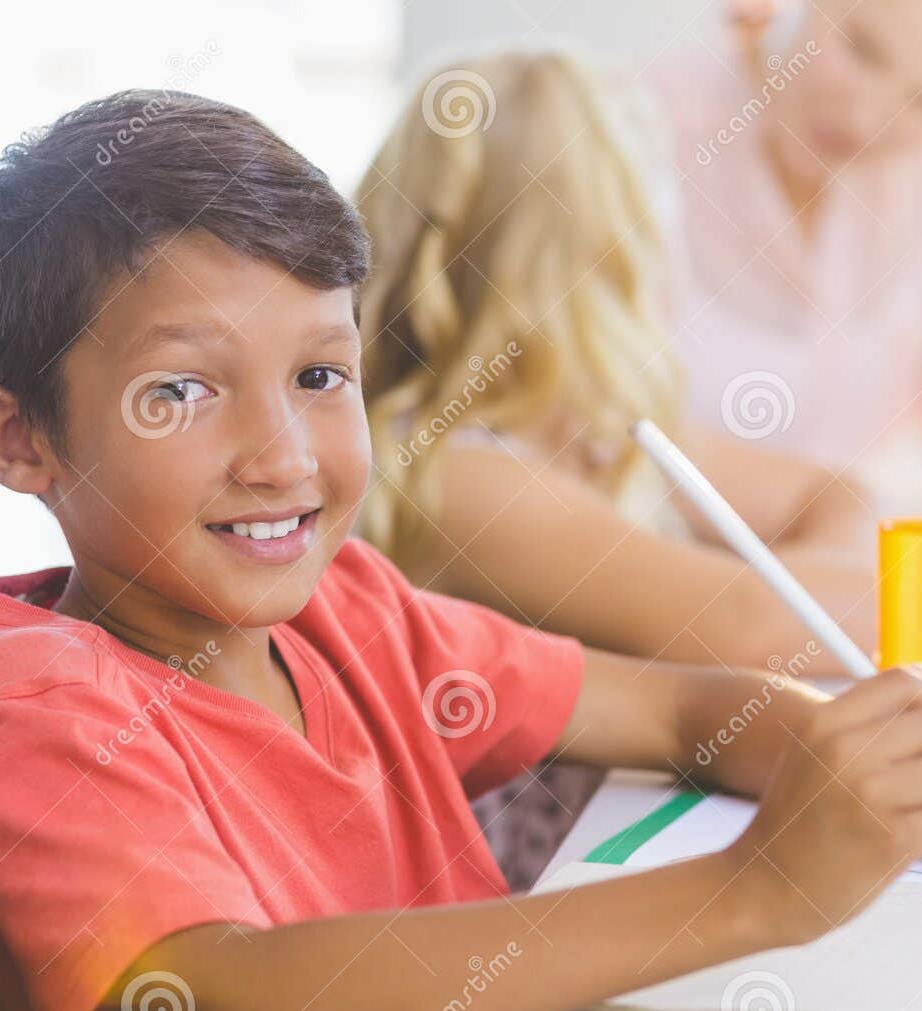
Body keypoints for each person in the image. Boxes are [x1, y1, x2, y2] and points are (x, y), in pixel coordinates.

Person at [0, 89, 922, 1011]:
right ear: (16, 437)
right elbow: (217, 1006)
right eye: (183, 390)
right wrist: (751, 893)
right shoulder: (45, 705)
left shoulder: (352, 611)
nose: (281, 455)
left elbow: (676, 712)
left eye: (321, 375)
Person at [359, 52, 876, 676]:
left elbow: (836, 494)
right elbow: (748, 629)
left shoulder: (597, 429)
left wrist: (795, 593)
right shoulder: (459, 474)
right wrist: (798, 593)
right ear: (617, 245)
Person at [650, 0, 922, 516]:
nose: (867, 117)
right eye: (864, 50)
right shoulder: (649, 119)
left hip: (848, 584)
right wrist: (825, 515)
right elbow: (575, 438)